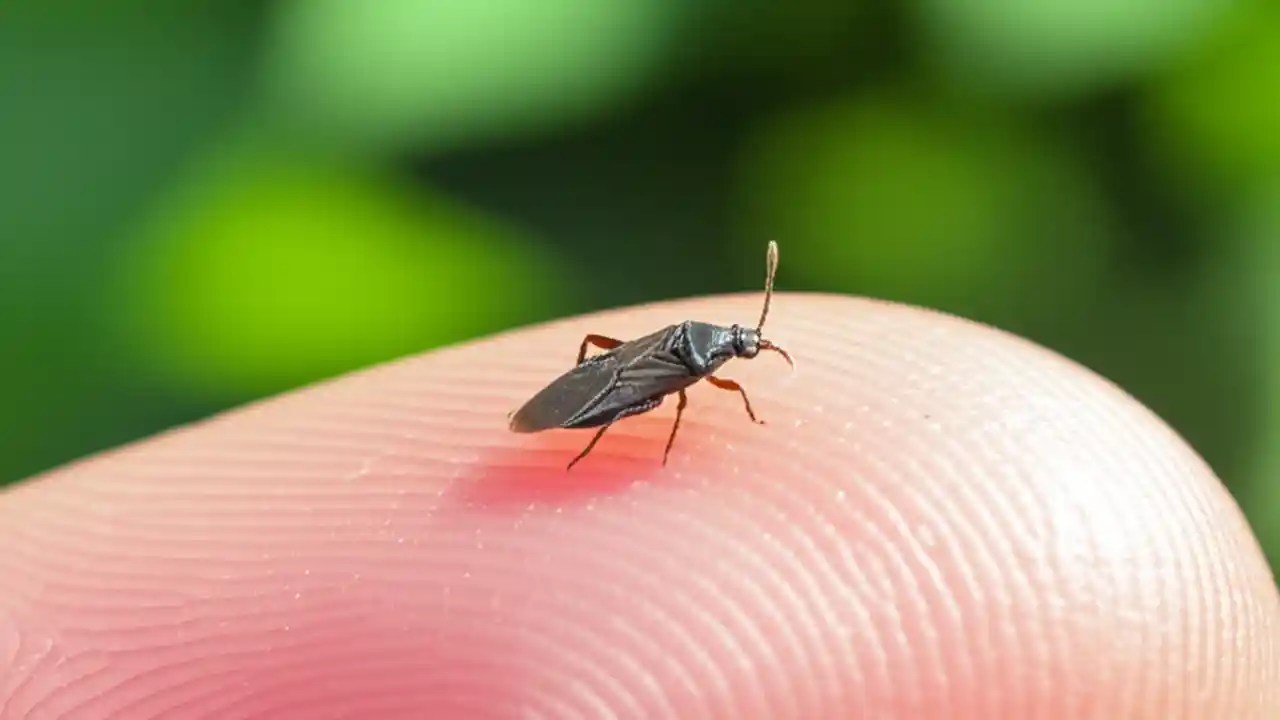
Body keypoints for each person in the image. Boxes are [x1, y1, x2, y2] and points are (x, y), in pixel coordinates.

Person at [1, 296, 1275, 718]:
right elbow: (665, 391)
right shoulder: (683, 368)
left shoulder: (690, 343)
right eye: (742, 350)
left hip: (604, 389)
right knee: (636, 408)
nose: (737, 359)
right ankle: (568, 437)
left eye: (735, 355)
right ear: (719, 347)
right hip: (594, 411)